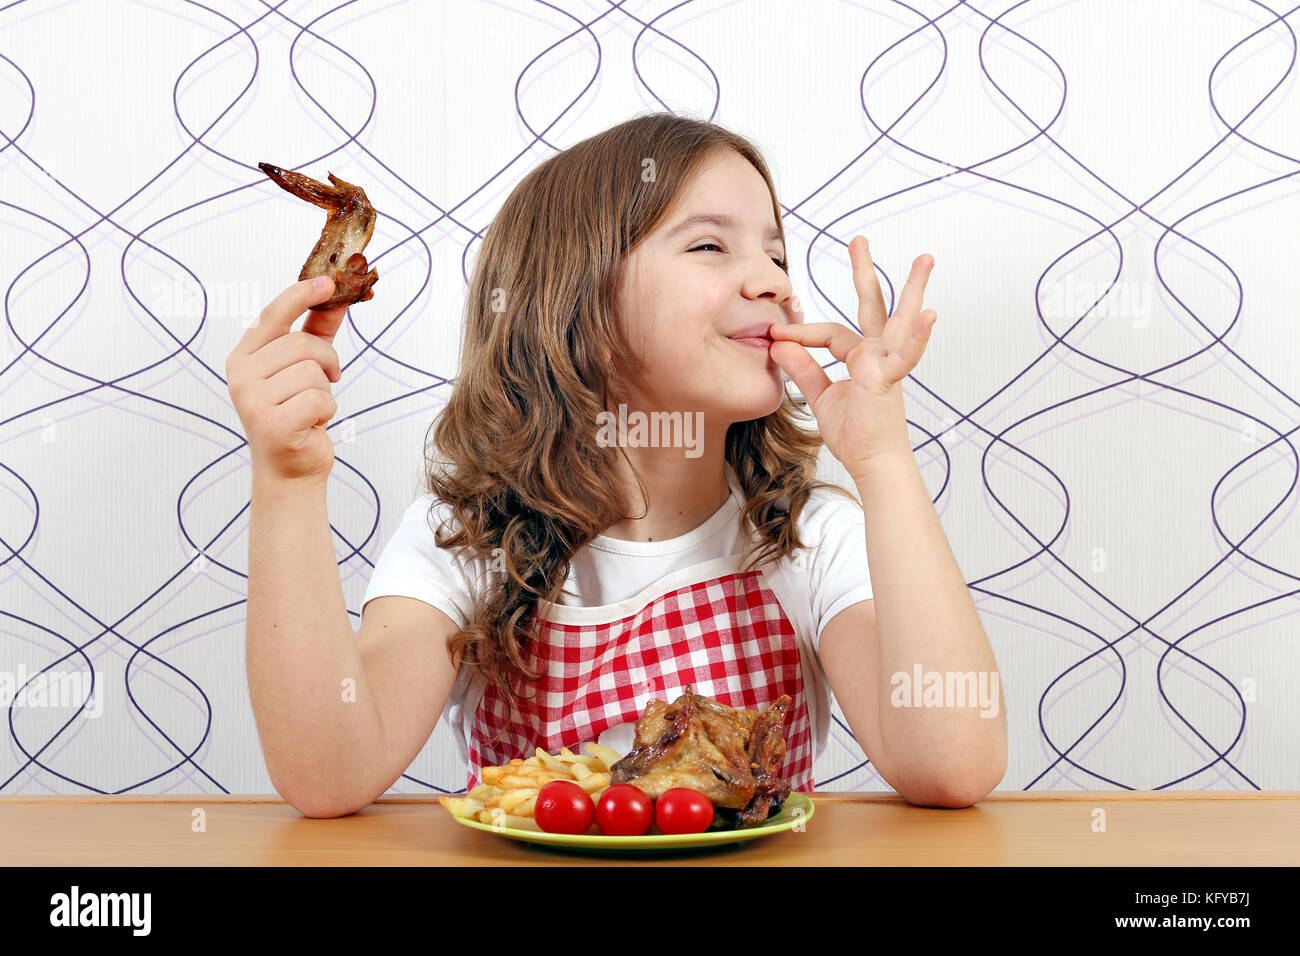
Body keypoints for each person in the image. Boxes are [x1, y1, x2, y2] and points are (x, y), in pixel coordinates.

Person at [228, 112, 1006, 818]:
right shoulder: (464, 542)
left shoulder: (808, 535)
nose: (773, 278)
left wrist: (883, 461)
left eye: (774, 250)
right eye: (710, 245)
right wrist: (289, 483)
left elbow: (952, 765)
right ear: (579, 305)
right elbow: (330, 775)